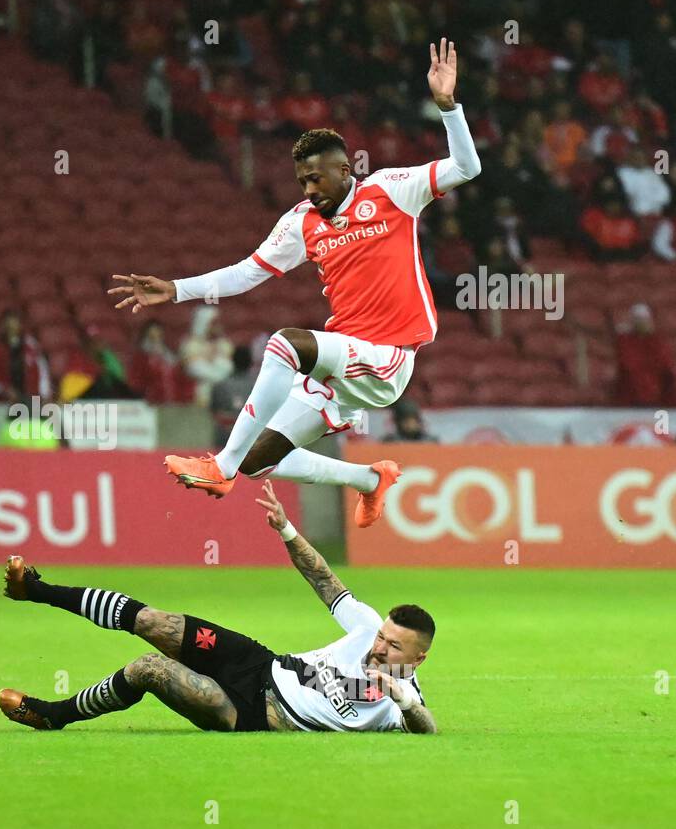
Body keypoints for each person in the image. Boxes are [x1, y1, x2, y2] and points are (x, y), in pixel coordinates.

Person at [108, 40, 480, 529]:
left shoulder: (390, 190)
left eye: (316, 179)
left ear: (345, 170)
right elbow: (247, 273)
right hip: (341, 371)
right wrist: (176, 290)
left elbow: (466, 168)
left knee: (284, 344)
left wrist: (449, 108)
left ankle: (219, 466)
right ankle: (369, 479)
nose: (308, 190)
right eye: (302, 180)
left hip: (387, 358)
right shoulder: (301, 222)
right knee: (258, 461)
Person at [0, 480, 436, 734]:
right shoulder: (365, 627)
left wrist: (404, 701)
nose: (379, 647)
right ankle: (35, 591)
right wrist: (286, 530)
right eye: (383, 636)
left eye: (394, 647)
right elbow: (322, 578)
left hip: (252, 715)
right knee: (153, 621)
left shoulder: (400, 702)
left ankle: (53, 715)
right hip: (259, 663)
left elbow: (428, 730)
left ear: (419, 657)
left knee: (149, 668)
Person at [614, 304, 676, 406]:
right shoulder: (626, 342)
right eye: (638, 319)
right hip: (631, 396)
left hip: (655, 394)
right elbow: (627, 364)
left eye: (644, 320)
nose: (641, 323)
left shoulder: (657, 342)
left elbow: (664, 364)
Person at [0, 310, 50, 401]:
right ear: (2, 326)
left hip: (33, 398)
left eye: (15, 324)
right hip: (2, 401)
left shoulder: (30, 344)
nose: (12, 328)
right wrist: (4, 390)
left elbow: (42, 368)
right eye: (9, 325)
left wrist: (45, 393)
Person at [179, 305, 235, 406]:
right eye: (213, 323)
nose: (218, 326)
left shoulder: (225, 343)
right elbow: (189, 367)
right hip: (199, 387)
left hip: (222, 386)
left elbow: (229, 366)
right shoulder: (189, 343)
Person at [210, 345, 255, 449]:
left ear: (232, 360)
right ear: (251, 362)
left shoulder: (219, 385)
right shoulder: (259, 386)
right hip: (250, 438)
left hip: (225, 437)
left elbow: (213, 412)